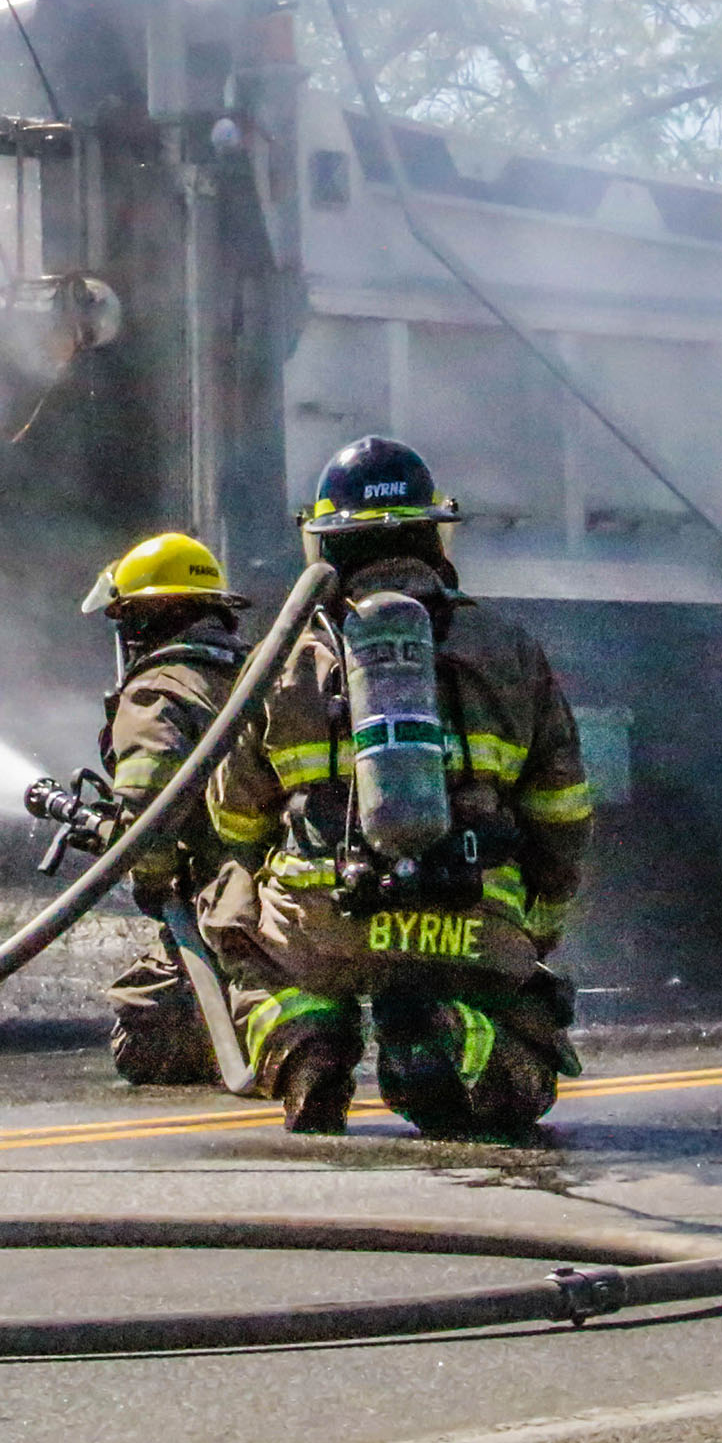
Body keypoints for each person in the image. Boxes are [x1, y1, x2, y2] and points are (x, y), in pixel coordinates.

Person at [203, 436, 593, 1135]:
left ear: (325, 543)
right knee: (526, 1056)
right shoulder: (507, 647)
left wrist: (247, 879)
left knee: (237, 932)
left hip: (324, 921)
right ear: (432, 532)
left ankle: (309, 1050)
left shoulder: (281, 658)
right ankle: (441, 1033)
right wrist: (537, 922)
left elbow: (234, 815)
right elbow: (561, 811)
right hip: (469, 920)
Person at [77, 531, 249, 1085]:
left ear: (143, 620)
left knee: (142, 1042)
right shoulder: (257, 674)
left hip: (222, 908)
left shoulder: (157, 693)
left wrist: (150, 875)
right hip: (291, 895)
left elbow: (149, 818)